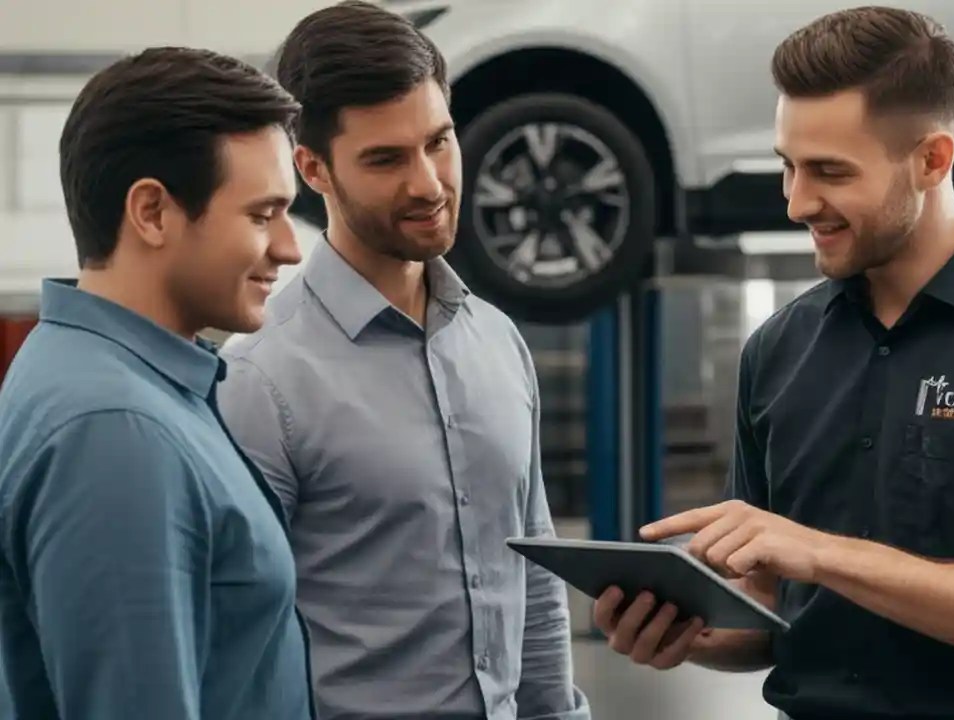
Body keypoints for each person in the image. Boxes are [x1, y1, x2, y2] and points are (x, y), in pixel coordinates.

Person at [593, 7, 954, 720]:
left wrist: (824, 554)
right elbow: (772, 607)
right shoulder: (778, 351)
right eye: (787, 166)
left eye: (829, 171)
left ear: (932, 159)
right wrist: (694, 630)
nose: (797, 202)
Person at [215, 3, 590, 719]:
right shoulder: (259, 381)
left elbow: (534, 584)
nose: (428, 183)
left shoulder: (498, 342)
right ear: (312, 168)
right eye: (386, 159)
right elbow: (239, 646)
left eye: (439, 141)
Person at [0, 47, 313, 719]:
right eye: (263, 215)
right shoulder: (115, 431)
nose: (289, 247)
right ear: (151, 212)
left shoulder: (105, 379)